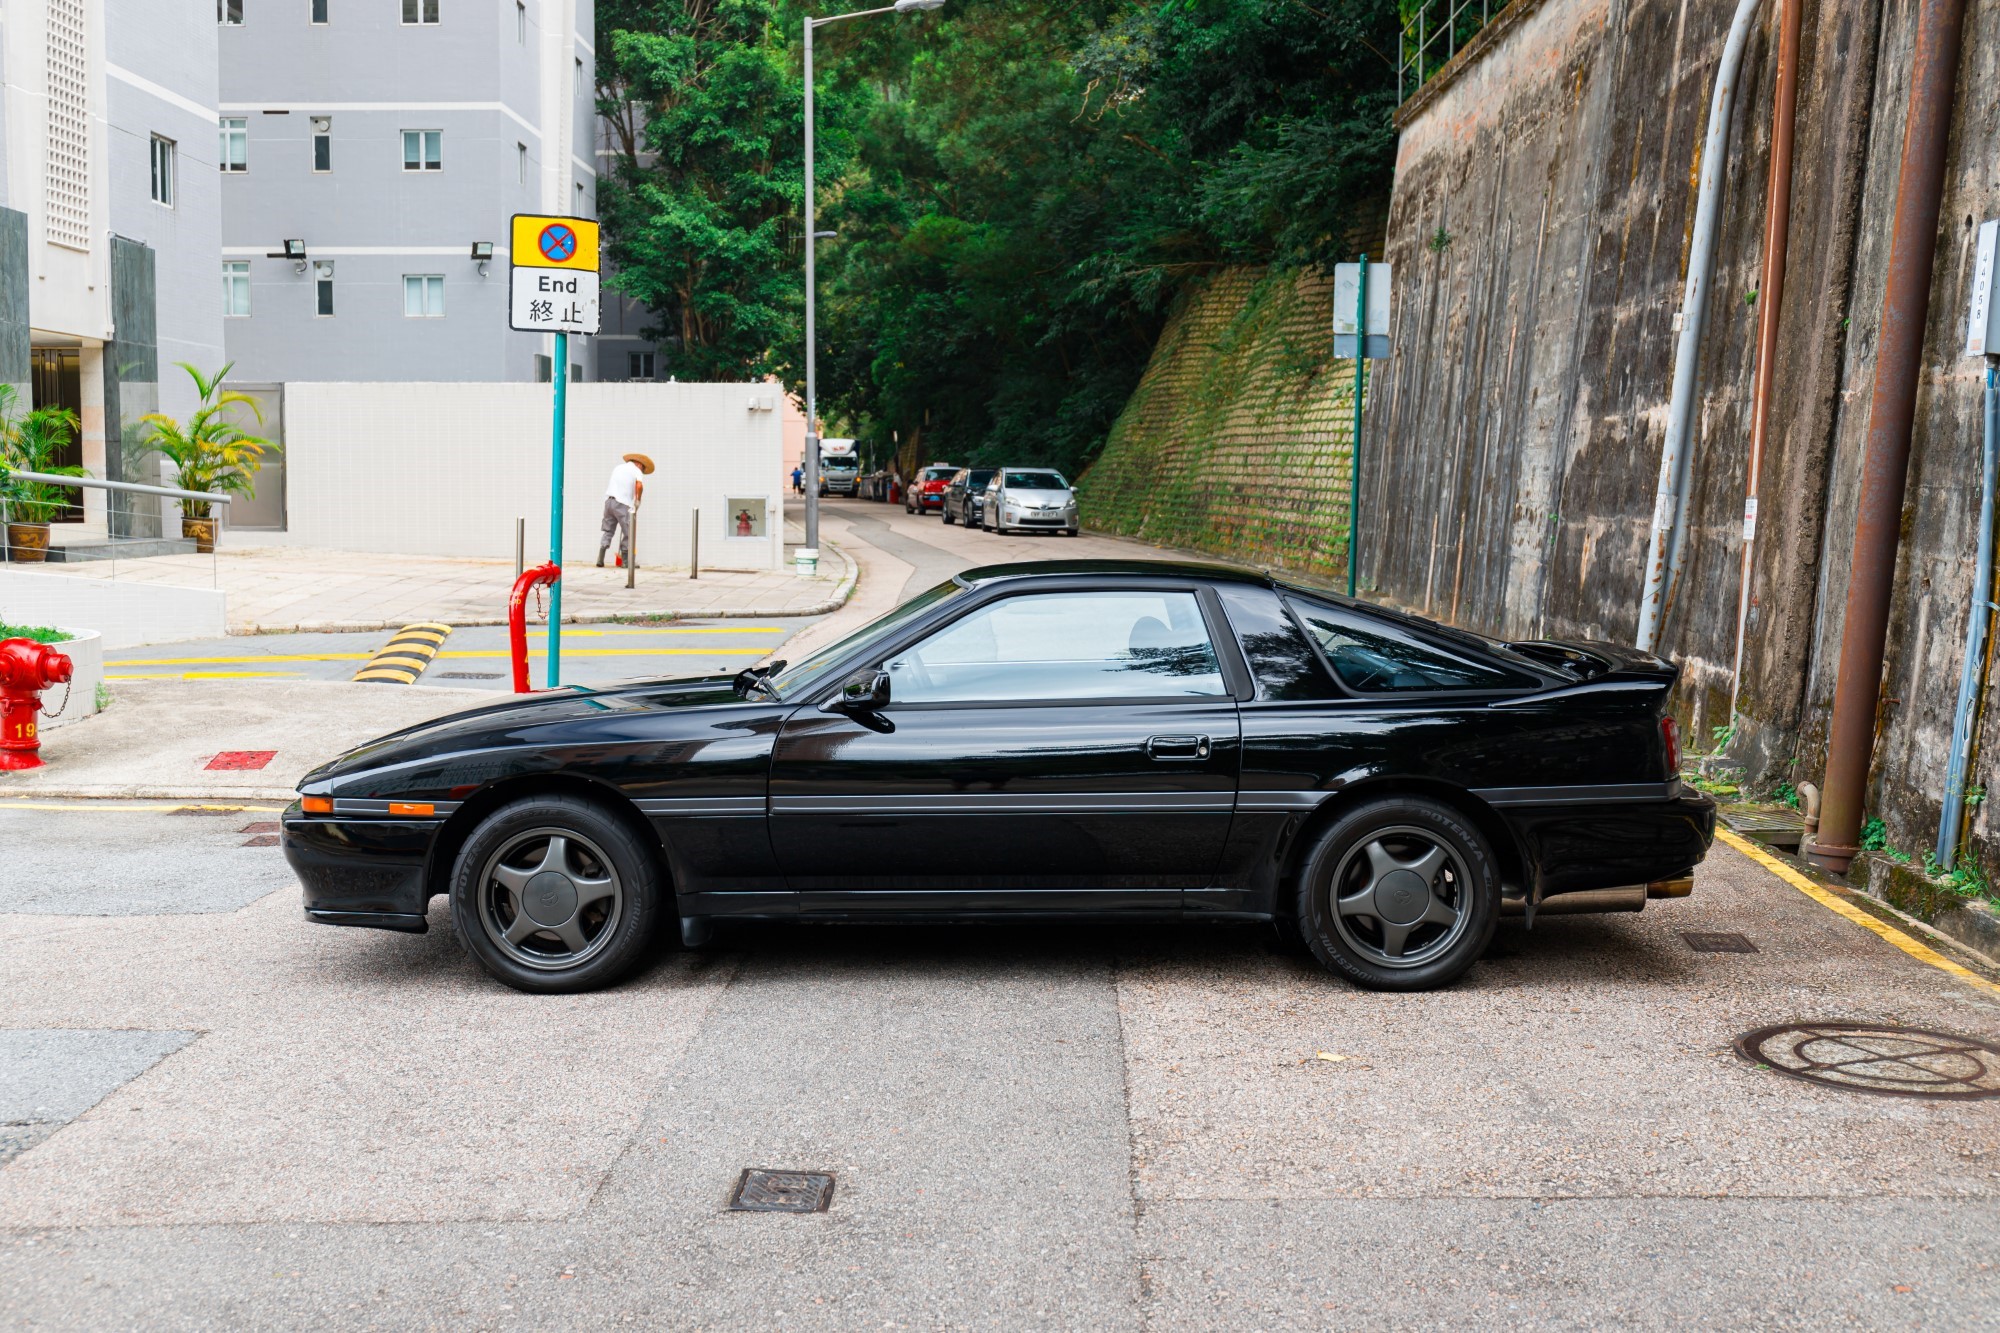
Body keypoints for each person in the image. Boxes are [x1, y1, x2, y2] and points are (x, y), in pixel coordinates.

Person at [598, 452, 652, 567]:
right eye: (643, 468)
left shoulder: (618, 467)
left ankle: (600, 558)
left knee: (608, 530)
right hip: (622, 503)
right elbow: (639, 486)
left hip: (608, 501)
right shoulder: (636, 470)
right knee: (629, 531)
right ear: (639, 465)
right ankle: (626, 562)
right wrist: (638, 500)